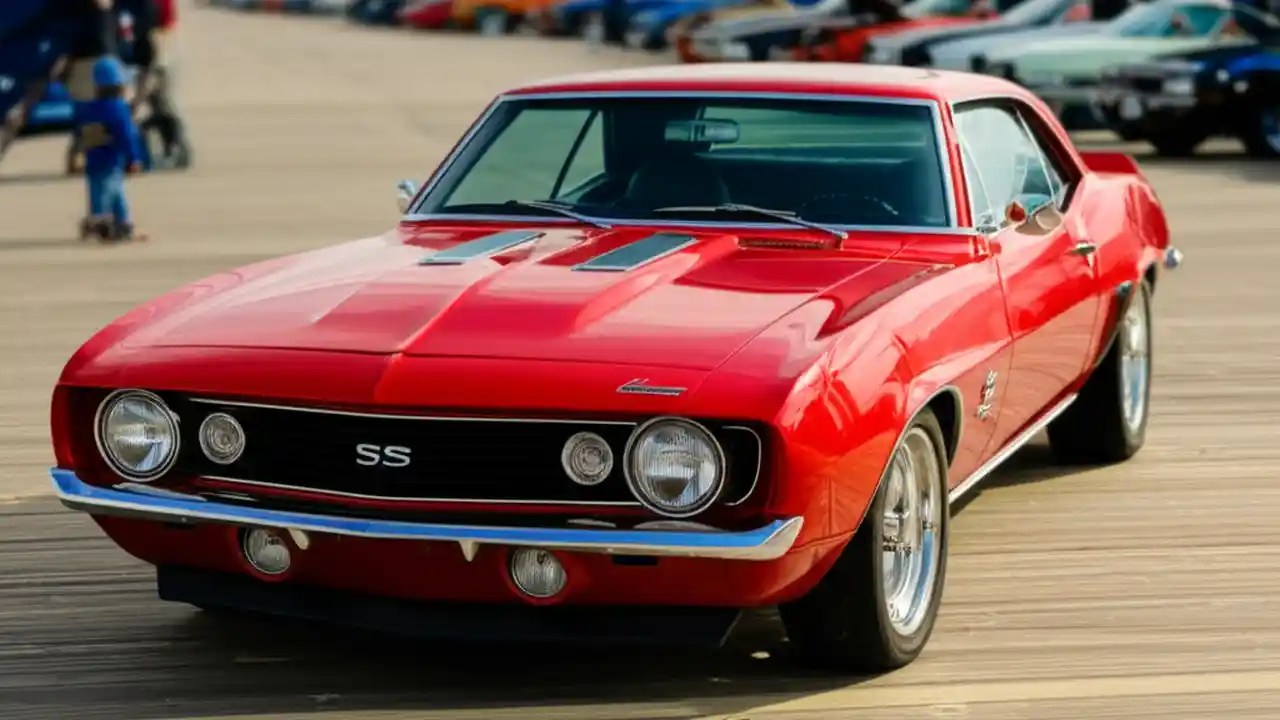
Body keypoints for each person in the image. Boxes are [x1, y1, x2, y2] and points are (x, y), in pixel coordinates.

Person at [76, 56, 143, 242]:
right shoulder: (119, 109)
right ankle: (113, 224)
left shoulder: (87, 109)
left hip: (93, 160)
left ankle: (110, 221)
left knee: (99, 191)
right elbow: (126, 136)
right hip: (112, 159)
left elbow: (81, 135)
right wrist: (134, 158)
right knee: (114, 192)